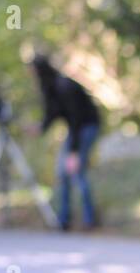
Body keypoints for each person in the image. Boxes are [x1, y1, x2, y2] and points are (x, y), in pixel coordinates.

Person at [30, 54, 101, 230]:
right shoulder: (51, 89)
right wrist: (40, 127)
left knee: (77, 172)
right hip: (76, 130)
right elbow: (53, 113)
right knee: (63, 174)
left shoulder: (65, 86)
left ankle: (89, 219)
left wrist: (75, 152)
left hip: (86, 127)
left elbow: (77, 119)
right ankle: (64, 219)